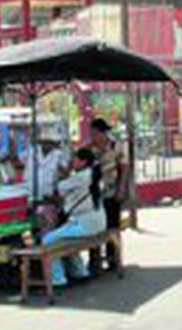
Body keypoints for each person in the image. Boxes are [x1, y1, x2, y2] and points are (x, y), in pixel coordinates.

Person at [41, 148, 106, 287]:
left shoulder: (80, 177)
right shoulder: (94, 174)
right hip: (98, 222)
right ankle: (80, 271)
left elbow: (59, 187)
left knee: (47, 240)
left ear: (83, 162)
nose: (72, 161)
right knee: (66, 236)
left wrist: (67, 171)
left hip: (85, 224)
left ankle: (58, 278)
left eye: (75, 159)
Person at [86, 117, 126, 274]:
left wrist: (121, 188)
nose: (93, 137)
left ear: (103, 133)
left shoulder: (116, 146)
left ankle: (115, 259)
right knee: (95, 227)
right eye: (91, 134)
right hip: (94, 194)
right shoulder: (90, 149)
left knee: (112, 227)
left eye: (95, 133)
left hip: (111, 190)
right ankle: (94, 260)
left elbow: (124, 168)